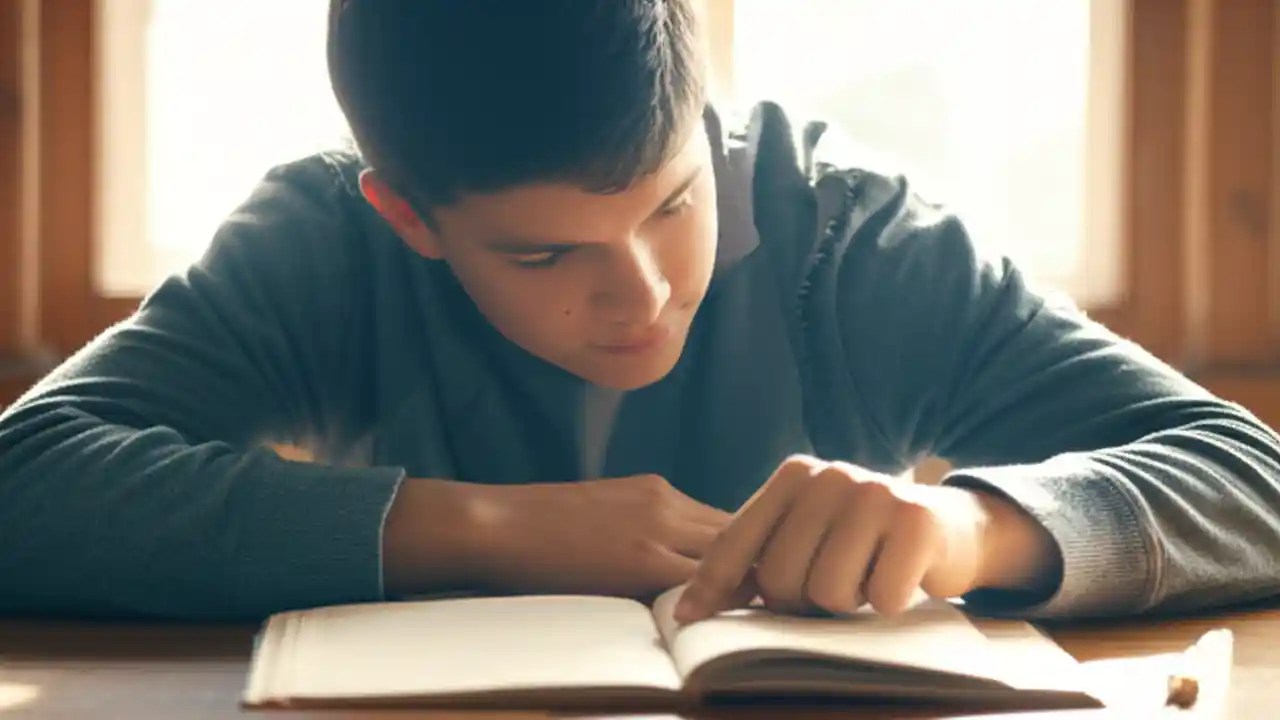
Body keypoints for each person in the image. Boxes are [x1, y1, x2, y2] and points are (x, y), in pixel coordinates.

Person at [2, 0, 1279, 622]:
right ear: (408, 220)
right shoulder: (323, 240)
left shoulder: (853, 236)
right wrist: (493, 533)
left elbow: (1250, 476)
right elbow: (24, 484)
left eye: (672, 203)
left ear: (702, 124)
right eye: (545, 258)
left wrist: (966, 531)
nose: (642, 294)